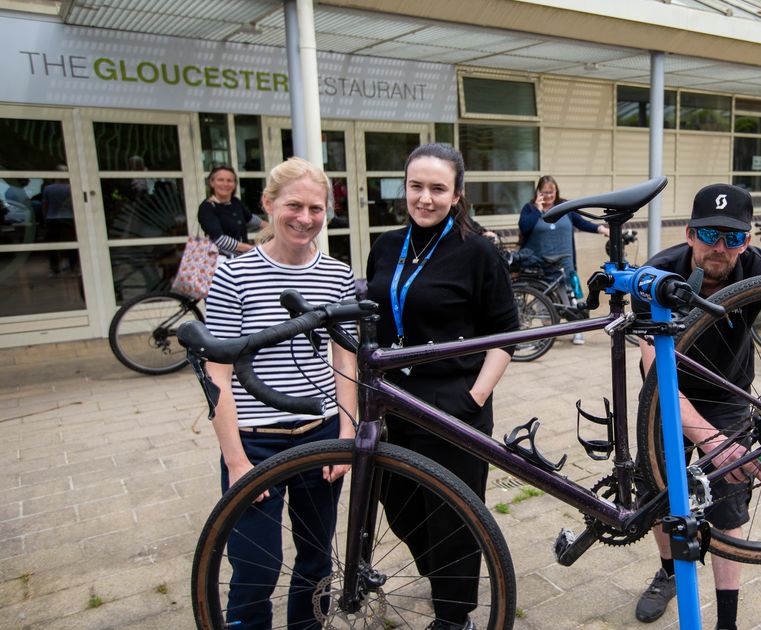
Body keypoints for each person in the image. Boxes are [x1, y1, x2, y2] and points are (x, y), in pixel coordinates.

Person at [633, 184, 761, 630]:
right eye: (709, 234)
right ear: (689, 233)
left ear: (747, 240)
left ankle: (727, 620)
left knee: (728, 506)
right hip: (664, 398)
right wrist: (713, 443)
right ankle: (669, 575)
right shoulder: (656, 275)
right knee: (659, 496)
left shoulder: (758, 270)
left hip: (729, 396)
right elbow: (657, 376)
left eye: (733, 237)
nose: (720, 248)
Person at [365, 143, 519, 630]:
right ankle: (443, 582)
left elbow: (505, 335)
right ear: (403, 188)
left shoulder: (478, 251)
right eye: (416, 186)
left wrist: (473, 397)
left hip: (454, 404)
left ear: (457, 195)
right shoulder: (387, 245)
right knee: (401, 507)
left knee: (452, 520)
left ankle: (454, 617)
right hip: (395, 404)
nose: (425, 198)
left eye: (437, 188)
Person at [203, 157, 358, 629]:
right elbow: (218, 375)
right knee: (255, 567)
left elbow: (344, 360)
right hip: (254, 440)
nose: (305, 218)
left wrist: (346, 438)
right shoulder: (234, 275)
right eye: (294, 205)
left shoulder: (337, 275)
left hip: (319, 435)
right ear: (269, 204)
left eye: (316, 208)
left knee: (316, 561)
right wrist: (235, 462)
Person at [518, 175, 609, 344]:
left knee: (571, 297)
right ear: (538, 191)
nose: (548, 195)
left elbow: (582, 223)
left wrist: (601, 229)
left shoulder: (565, 207)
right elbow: (524, 227)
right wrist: (538, 210)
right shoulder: (530, 208)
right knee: (542, 299)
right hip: (538, 262)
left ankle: (577, 329)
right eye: (544, 192)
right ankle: (548, 332)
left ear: (556, 191)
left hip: (564, 262)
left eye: (551, 191)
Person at [197, 165, 261, 260]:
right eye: (220, 180)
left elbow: (250, 219)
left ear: (235, 184)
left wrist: (274, 227)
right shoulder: (207, 207)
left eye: (229, 180)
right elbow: (220, 240)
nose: (225, 184)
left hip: (242, 258)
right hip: (220, 261)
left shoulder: (236, 202)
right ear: (211, 182)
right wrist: (252, 249)